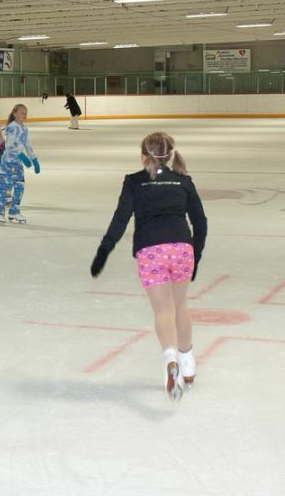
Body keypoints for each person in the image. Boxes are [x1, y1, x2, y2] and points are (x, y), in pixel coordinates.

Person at [90, 132, 207, 403]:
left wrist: (104, 250)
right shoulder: (184, 181)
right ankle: (188, 364)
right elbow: (200, 223)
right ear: (172, 154)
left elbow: (120, 218)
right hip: (182, 249)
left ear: (144, 155)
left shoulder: (134, 182)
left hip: (151, 250)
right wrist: (196, 256)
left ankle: (170, 358)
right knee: (180, 307)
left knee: (163, 311)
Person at [0, 103, 39, 225]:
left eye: (25, 112)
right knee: (5, 189)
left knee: (20, 187)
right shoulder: (12, 127)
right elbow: (9, 146)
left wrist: (34, 159)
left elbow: (27, 145)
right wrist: (21, 155)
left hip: (17, 164)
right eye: (22, 112)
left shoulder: (24, 128)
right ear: (15, 114)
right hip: (8, 163)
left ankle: (13, 212)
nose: (24, 114)